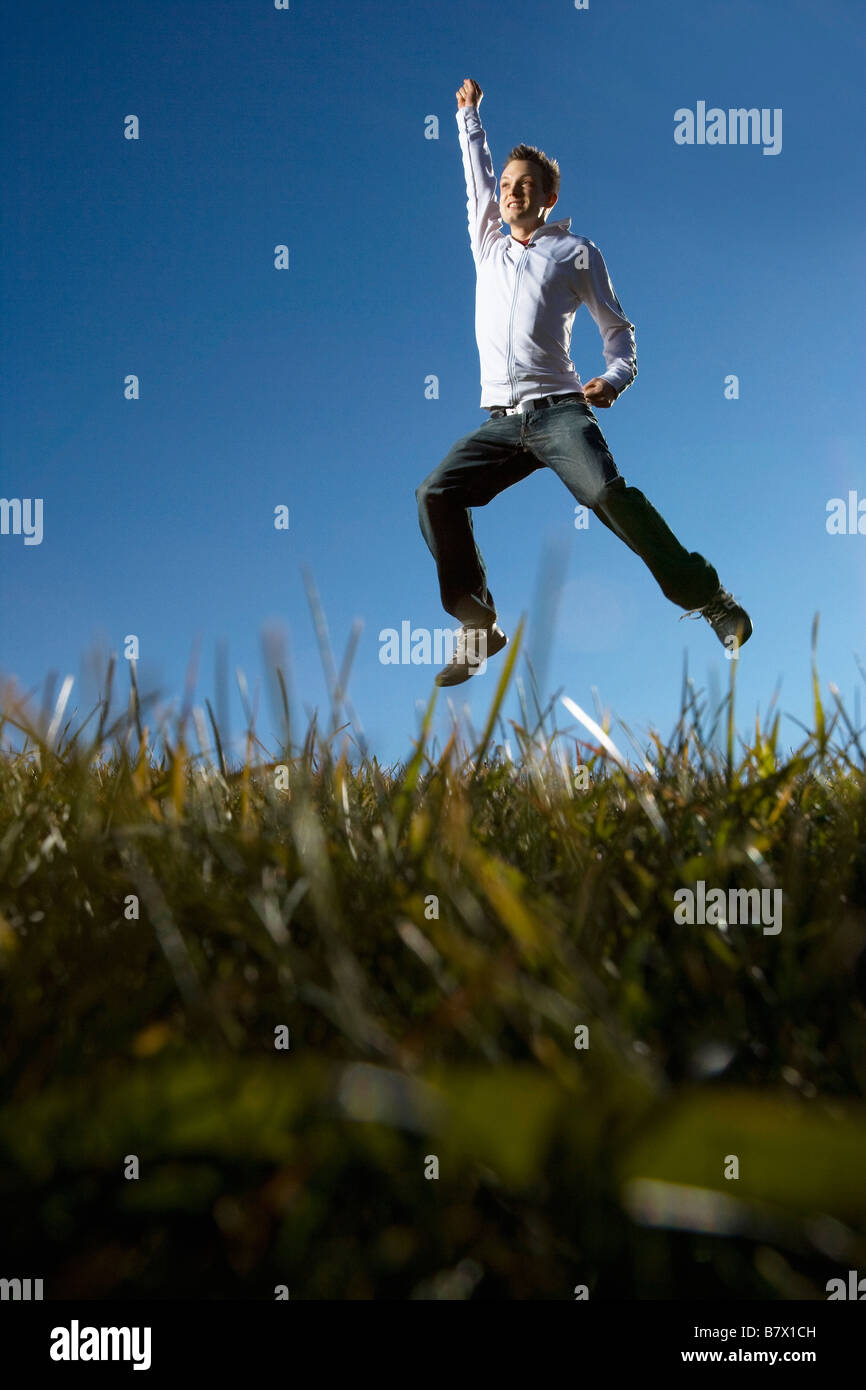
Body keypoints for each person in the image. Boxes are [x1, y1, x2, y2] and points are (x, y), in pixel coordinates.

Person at [416, 77, 752, 687]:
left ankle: (711, 599)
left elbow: (618, 331)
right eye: (507, 185)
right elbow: (474, 175)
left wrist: (615, 378)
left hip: (560, 412)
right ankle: (477, 627)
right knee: (436, 493)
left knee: (606, 496)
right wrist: (469, 119)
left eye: (526, 186)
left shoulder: (575, 252)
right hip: (502, 423)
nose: (512, 192)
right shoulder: (487, 245)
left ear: (548, 196)